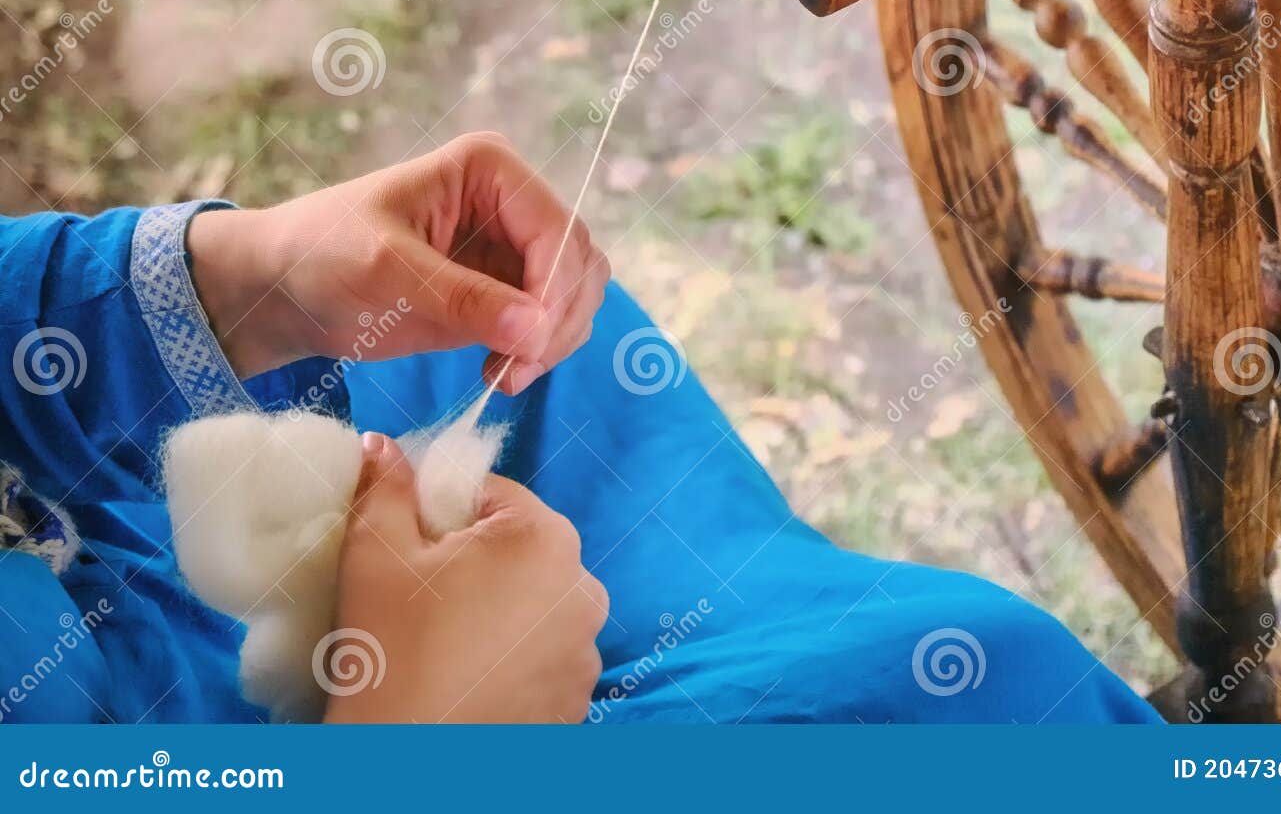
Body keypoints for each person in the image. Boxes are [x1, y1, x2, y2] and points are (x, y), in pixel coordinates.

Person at [0, 131, 1159, 724]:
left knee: (505, 336)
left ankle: (745, 621)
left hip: (114, 544)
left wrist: (252, 279)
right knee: (973, 680)